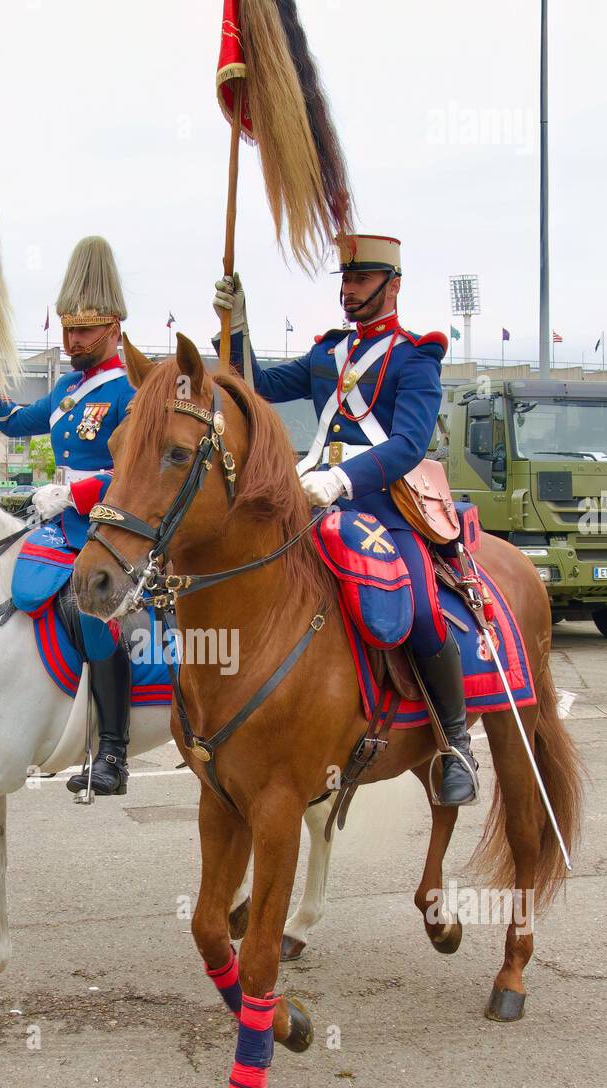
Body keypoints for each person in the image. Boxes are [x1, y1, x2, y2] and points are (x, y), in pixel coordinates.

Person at [213, 233, 478, 805]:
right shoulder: (326, 353)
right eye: (345, 280)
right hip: (306, 503)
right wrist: (236, 327)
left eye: (360, 281)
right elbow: (251, 384)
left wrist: (343, 479)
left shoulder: (416, 356)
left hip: (383, 509)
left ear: (393, 285)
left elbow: (409, 443)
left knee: (422, 610)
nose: (348, 291)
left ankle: (455, 742)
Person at [0, 236, 135, 795]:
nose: (72, 339)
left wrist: (77, 496)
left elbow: (137, 475)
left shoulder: (133, 389)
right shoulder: (66, 388)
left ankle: (113, 752)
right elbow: (13, 420)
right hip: (59, 525)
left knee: (91, 609)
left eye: (83, 330)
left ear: (113, 328)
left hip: (111, 527)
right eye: (66, 329)